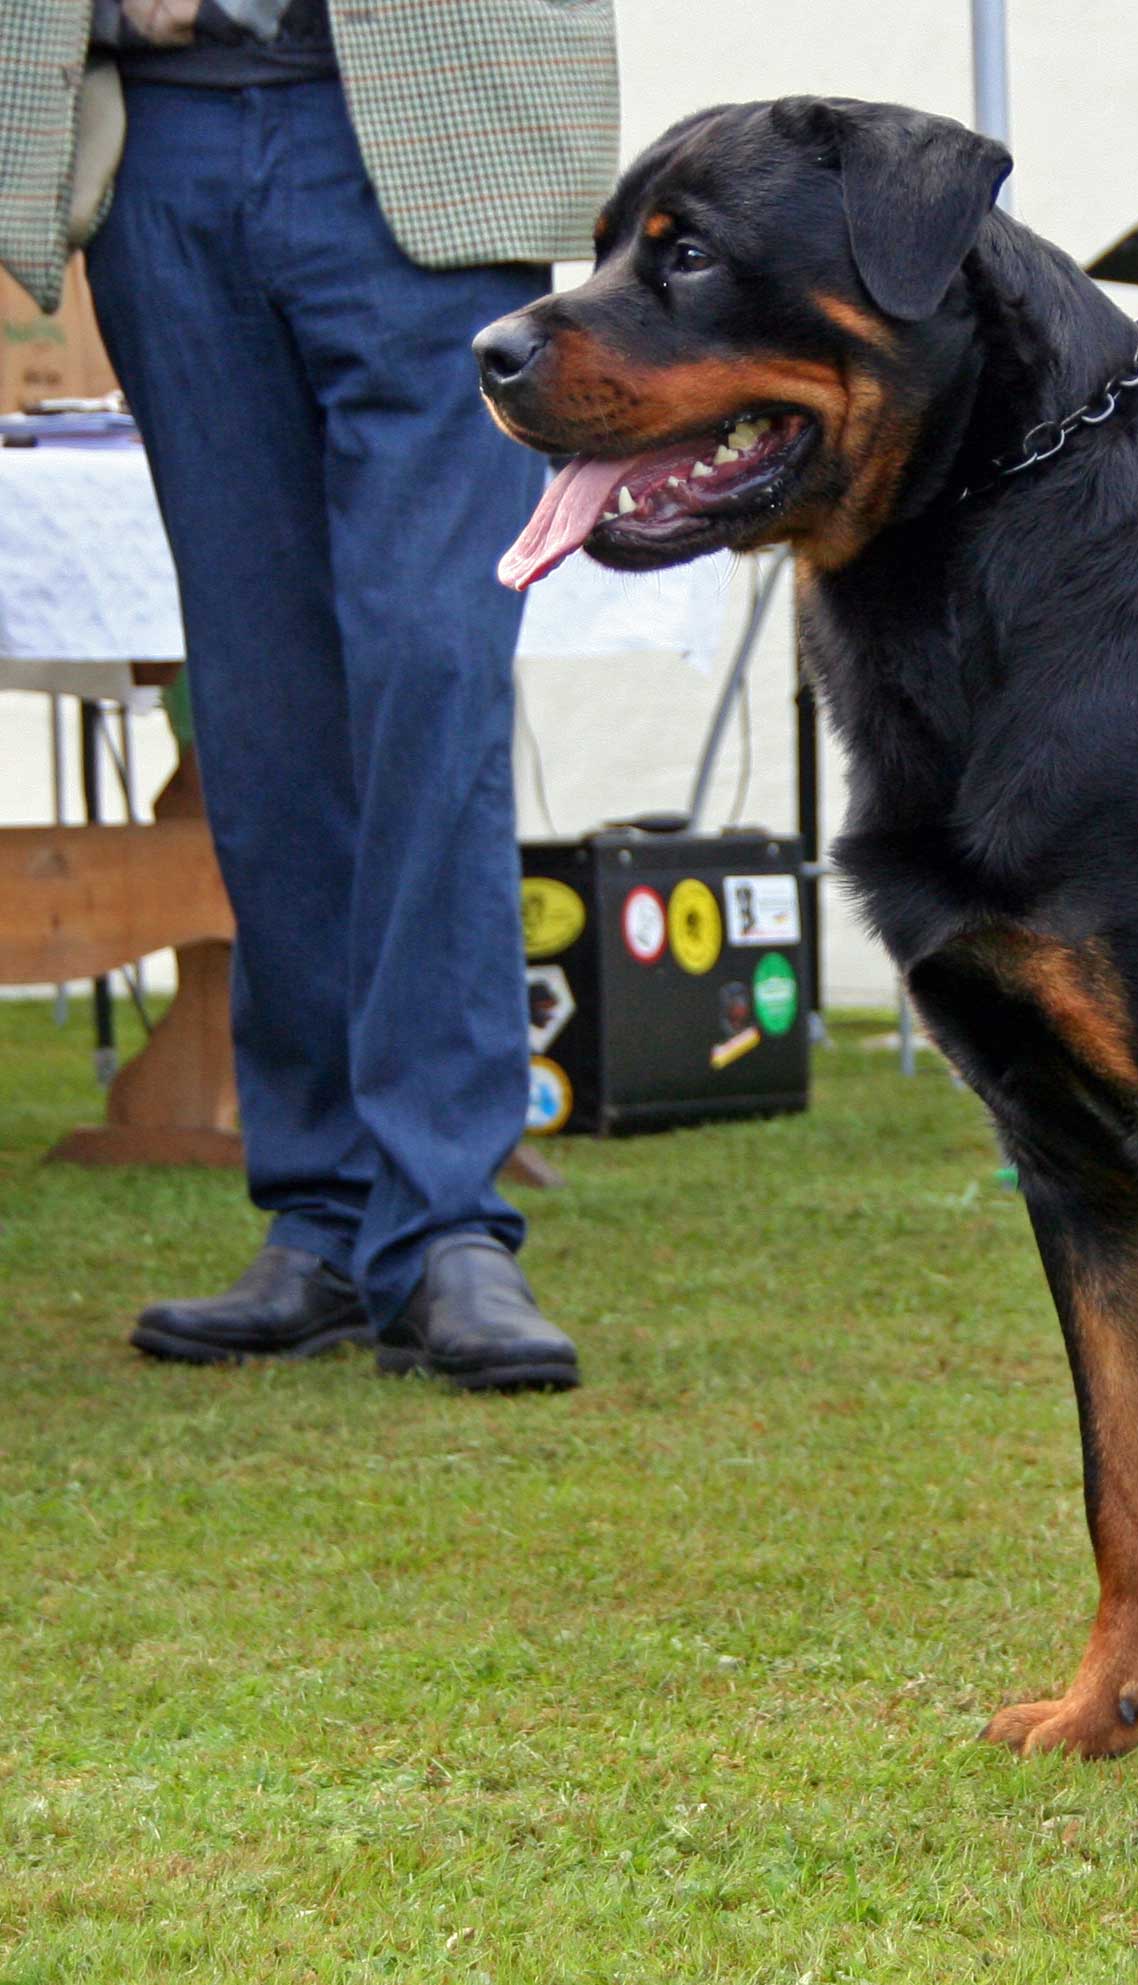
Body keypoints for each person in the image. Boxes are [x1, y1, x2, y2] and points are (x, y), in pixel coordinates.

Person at [0, 2, 621, 1390]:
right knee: (262, 715)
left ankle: (448, 1218)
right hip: (159, 148)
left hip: (418, 131)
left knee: (431, 680)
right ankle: (326, 1217)